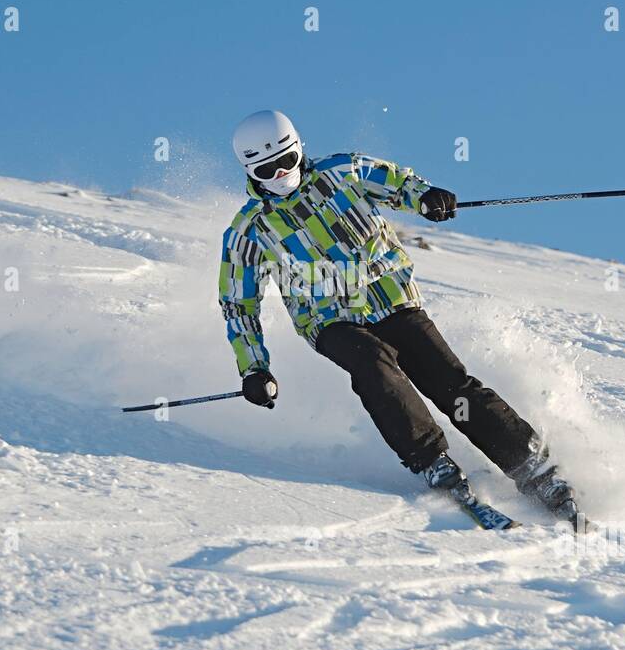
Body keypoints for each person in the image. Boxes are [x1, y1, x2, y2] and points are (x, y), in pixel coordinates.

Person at [217, 109, 578, 524]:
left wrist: (426, 197)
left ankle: (531, 467)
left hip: (392, 298)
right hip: (330, 320)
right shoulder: (248, 230)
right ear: (250, 170)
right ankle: (432, 460)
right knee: (373, 365)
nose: (280, 174)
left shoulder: (344, 173)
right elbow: (238, 305)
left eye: (287, 162)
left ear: (299, 150)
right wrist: (254, 369)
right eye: (267, 169)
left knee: (447, 381)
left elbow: (399, 184)